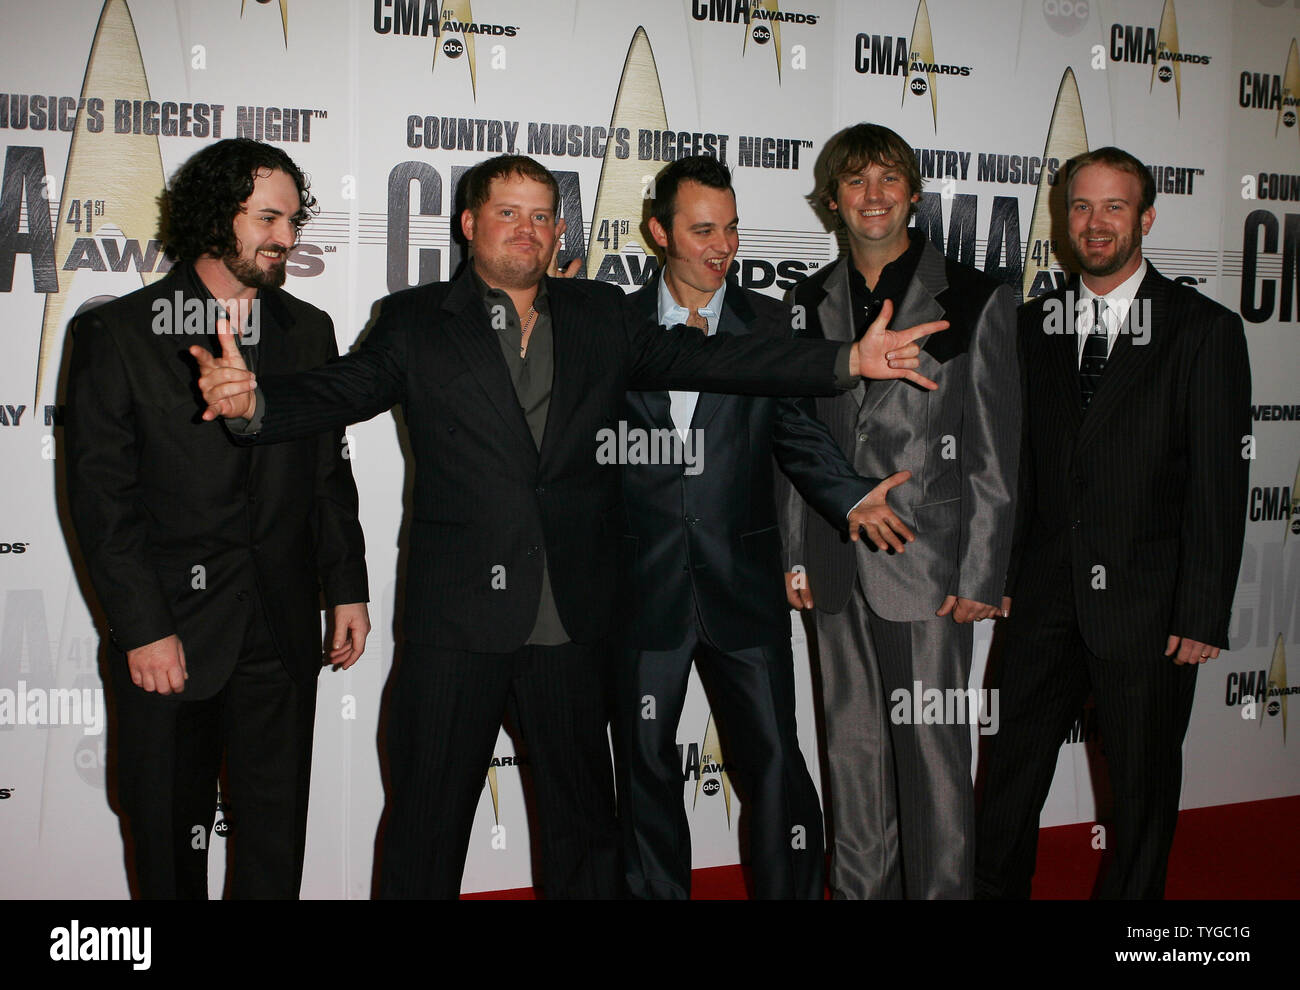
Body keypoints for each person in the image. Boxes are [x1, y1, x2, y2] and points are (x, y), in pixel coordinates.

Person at [191, 154, 946, 899]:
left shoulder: (600, 315)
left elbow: (722, 358)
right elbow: (342, 390)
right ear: (468, 225)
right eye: (508, 214)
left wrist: (847, 358)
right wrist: (258, 405)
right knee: (424, 835)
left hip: (571, 631)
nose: (529, 230)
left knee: (585, 839)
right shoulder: (416, 321)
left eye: (544, 216)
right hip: (456, 627)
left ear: (560, 232)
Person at [64, 138, 370, 899]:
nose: (286, 239)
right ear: (211, 219)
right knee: (167, 836)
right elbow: (102, 499)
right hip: (170, 631)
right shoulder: (119, 334)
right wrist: (141, 626)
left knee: (274, 839)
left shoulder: (308, 332)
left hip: (279, 628)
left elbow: (327, 472)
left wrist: (347, 586)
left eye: (294, 221)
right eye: (267, 218)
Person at [615, 155, 916, 900]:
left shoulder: (771, 322)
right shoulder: (611, 325)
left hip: (741, 587)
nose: (723, 245)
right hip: (636, 590)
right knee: (646, 770)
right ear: (659, 232)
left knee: (778, 767)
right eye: (703, 229)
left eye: (733, 227)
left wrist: (849, 498)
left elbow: (796, 433)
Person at [975, 147, 1251, 900]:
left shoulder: (1203, 331)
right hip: (1042, 599)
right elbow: (1017, 463)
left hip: (1151, 607)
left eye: (1114, 207)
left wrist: (1201, 610)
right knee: (1006, 784)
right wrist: (1001, 575)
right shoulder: (1032, 327)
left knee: (1141, 795)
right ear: (1065, 221)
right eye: (1081, 208)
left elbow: (1220, 484)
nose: (1095, 224)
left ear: (1147, 219)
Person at [779, 123, 1021, 899]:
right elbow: (792, 437)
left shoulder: (975, 296)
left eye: (889, 179)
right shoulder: (807, 301)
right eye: (856, 182)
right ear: (832, 201)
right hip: (833, 557)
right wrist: (793, 551)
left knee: (934, 761)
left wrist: (983, 569)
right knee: (852, 759)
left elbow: (995, 450)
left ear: (914, 194)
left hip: (929, 567)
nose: (873, 196)